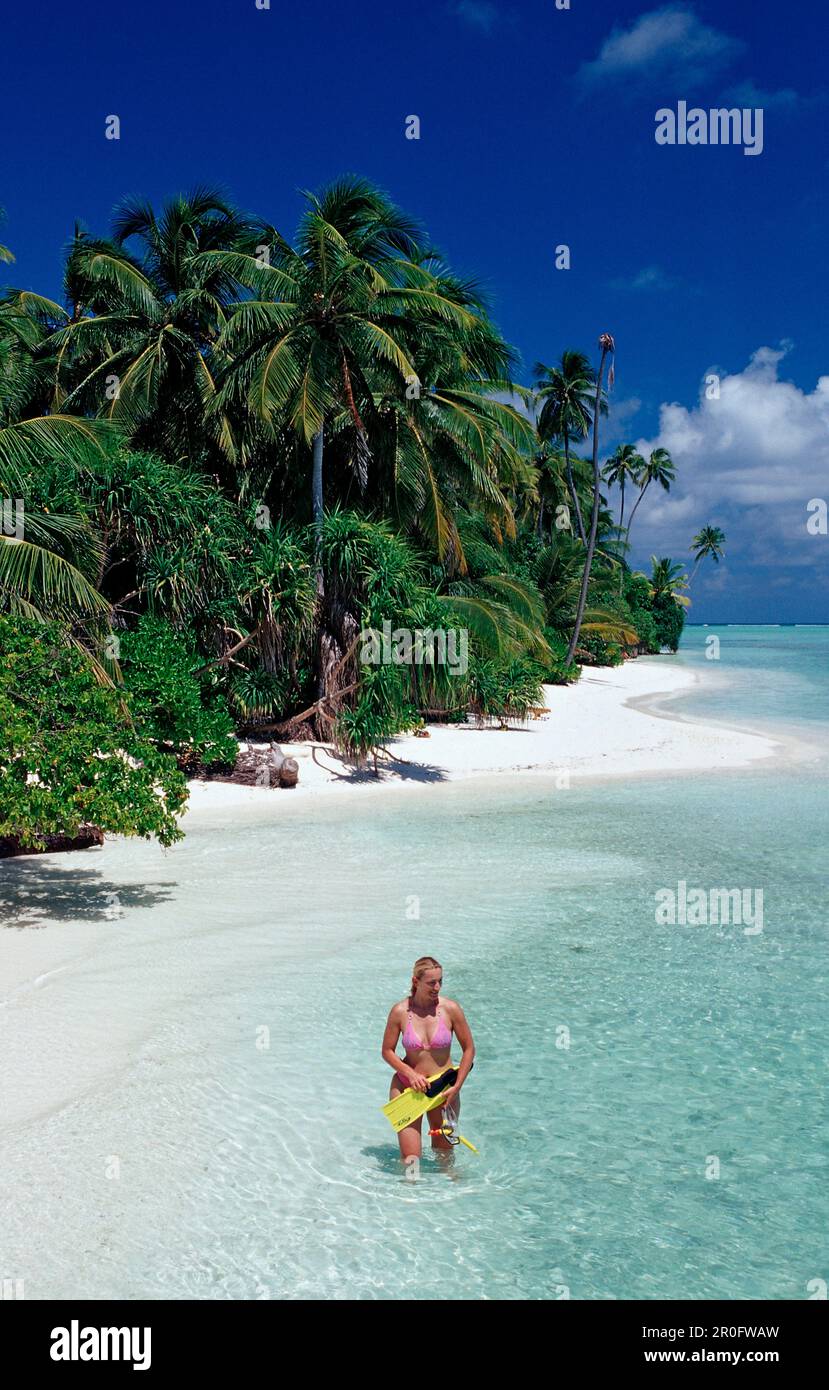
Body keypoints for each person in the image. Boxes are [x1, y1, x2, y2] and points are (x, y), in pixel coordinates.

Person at [381, 955, 475, 1160]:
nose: (437, 987)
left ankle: (444, 1192)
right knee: (411, 1159)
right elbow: (387, 1051)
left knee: (444, 1156)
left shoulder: (450, 1009)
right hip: (407, 1089)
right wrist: (410, 1074)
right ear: (416, 982)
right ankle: (410, 1190)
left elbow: (469, 1049)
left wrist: (457, 1086)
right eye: (431, 982)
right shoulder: (399, 1012)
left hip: (444, 1089)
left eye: (440, 981)